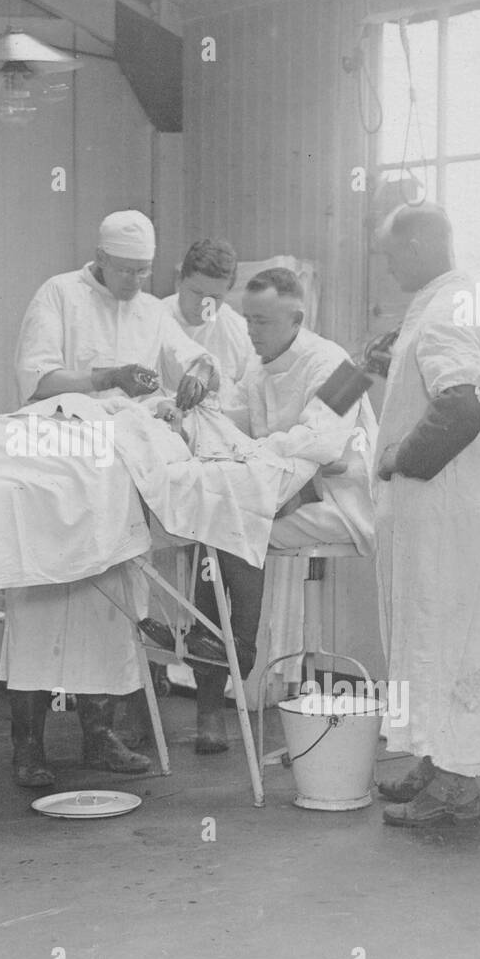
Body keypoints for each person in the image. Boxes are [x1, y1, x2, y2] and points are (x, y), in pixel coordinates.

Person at [3, 210, 221, 787]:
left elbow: (191, 355)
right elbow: (39, 379)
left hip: (115, 477)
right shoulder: (59, 295)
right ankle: (28, 748)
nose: (133, 283)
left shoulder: (150, 311)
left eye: (144, 273)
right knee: (43, 605)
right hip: (59, 466)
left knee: (113, 604)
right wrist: (106, 377)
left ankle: (100, 736)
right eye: (123, 271)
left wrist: (200, 371)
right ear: (99, 259)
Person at [185, 268, 376, 752]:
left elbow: (323, 440)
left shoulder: (340, 367)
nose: (251, 332)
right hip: (287, 495)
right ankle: (214, 669)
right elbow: (237, 427)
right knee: (213, 526)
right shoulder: (258, 369)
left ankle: (232, 655)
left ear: (297, 318)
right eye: (248, 320)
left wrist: (264, 457)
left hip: (342, 501)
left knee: (232, 527)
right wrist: (195, 408)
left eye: (263, 322)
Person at [372, 201, 480, 827]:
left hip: (443, 516)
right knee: (438, 641)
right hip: (458, 512)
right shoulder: (465, 300)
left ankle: (455, 786)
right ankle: (436, 760)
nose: (388, 265)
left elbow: (460, 408)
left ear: (420, 245)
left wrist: (399, 456)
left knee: (445, 645)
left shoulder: (442, 311)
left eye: (392, 253)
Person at [162, 239, 255, 383]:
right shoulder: (153, 321)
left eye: (214, 297)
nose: (204, 305)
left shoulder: (240, 334)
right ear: (179, 281)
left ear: (226, 293)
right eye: (196, 292)